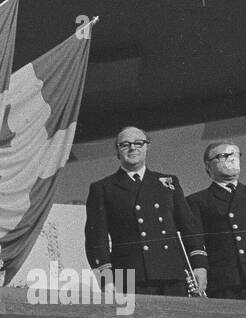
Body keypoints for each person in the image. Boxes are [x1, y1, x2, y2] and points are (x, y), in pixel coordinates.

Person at [85, 126, 207, 297]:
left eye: (138, 143)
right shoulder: (103, 188)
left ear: (147, 147)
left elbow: (189, 228)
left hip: (172, 272)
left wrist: (199, 264)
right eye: (125, 144)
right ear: (117, 151)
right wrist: (106, 279)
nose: (132, 148)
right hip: (128, 275)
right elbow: (96, 239)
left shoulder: (167, 183)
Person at [185, 140, 246, 304]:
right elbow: (195, 241)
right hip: (224, 281)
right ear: (208, 166)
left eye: (235, 154)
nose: (231, 158)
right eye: (223, 156)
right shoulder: (198, 201)